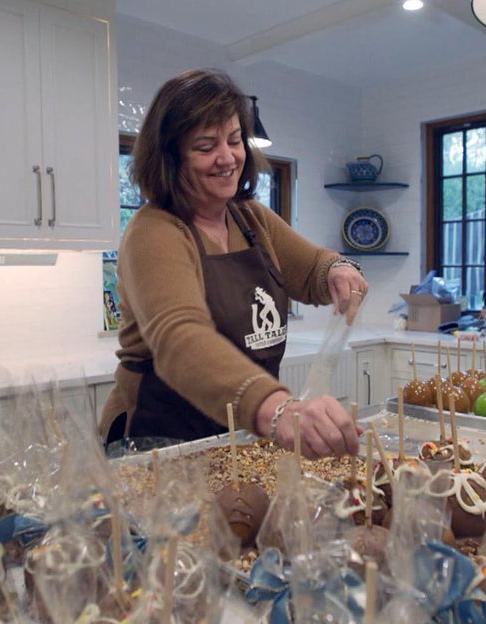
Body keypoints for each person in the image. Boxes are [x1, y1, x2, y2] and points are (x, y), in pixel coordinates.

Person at [99, 68, 368, 459]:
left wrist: (339, 270)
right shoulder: (154, 231)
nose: (227, 158)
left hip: (238, 436)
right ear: (170, 158)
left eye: (234, 140)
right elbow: (180, 339)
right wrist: (277, 410)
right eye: (206, 146)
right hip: (160, 442)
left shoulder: (249, 217)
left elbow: (313, 269)